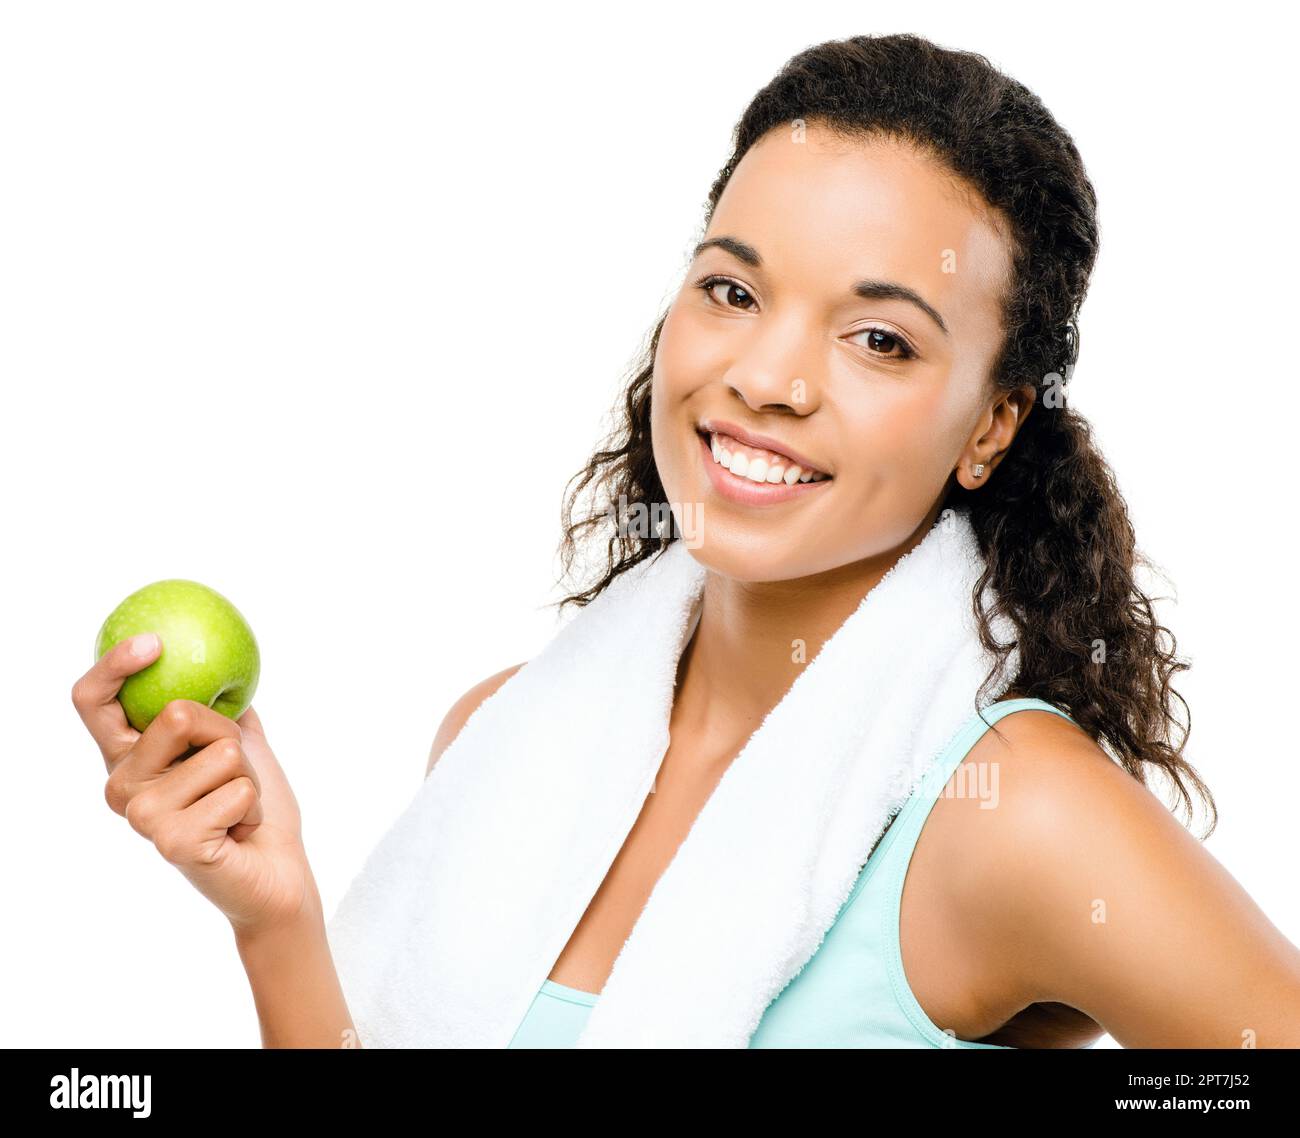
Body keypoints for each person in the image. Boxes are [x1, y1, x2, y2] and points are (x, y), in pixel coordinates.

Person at [71, 32, 1300, 1048]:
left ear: (990, 424)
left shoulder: (1011, 816)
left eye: (878, 339)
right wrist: (274, 920)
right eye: (732, 289)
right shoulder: (496, 730)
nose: (765, 376)